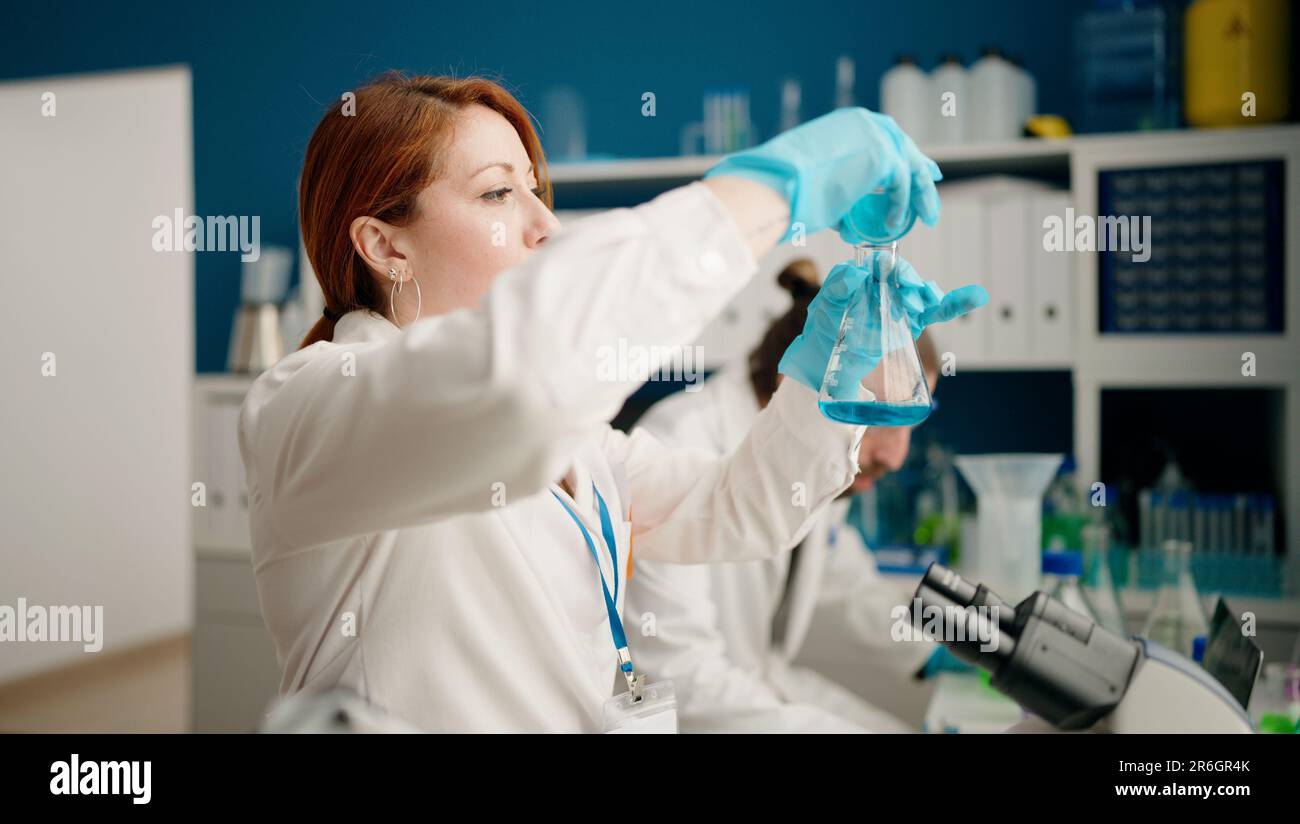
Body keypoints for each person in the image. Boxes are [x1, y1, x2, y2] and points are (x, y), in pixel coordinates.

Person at [237, 71, 985, 732]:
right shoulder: (305, 407)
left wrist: (827, 376)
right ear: (385, 245)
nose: (546, 223)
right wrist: (771, 190)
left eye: (535, 189)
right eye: (499, 192)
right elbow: (518, 385)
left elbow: (739, 508)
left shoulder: (587, 447)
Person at [625, 261, 946, 733]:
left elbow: (847, 581)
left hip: (759, 690)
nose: (897, 456)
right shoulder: (680, 441)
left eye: (912, 422)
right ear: (801, 382)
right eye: (881, 418)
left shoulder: (819, 453)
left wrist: (939, 646)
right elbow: (685, 684)